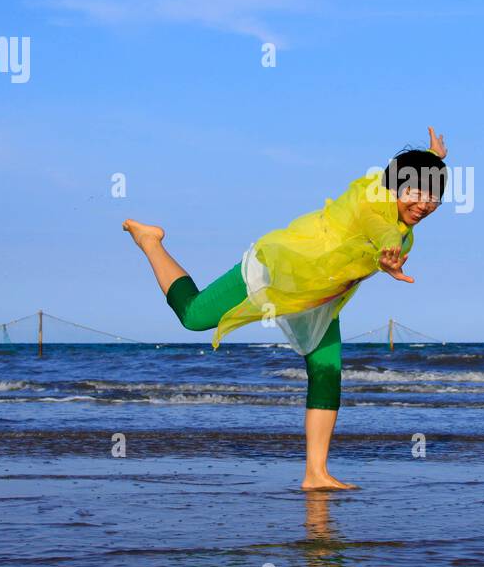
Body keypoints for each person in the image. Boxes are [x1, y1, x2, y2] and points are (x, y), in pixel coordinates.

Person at [123, 127, 449, 490]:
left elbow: (396, 219)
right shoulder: (373, 201)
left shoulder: (407, 231)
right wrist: (387, 256)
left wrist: (435, 159)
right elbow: (379, 229)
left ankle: (316, 474)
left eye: (434, 198)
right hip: (277, 270)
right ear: (394, 187)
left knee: (327, 372)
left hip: (319, 297)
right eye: (416, 194)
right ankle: (149, 241)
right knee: (194, 317)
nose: (424, 204)